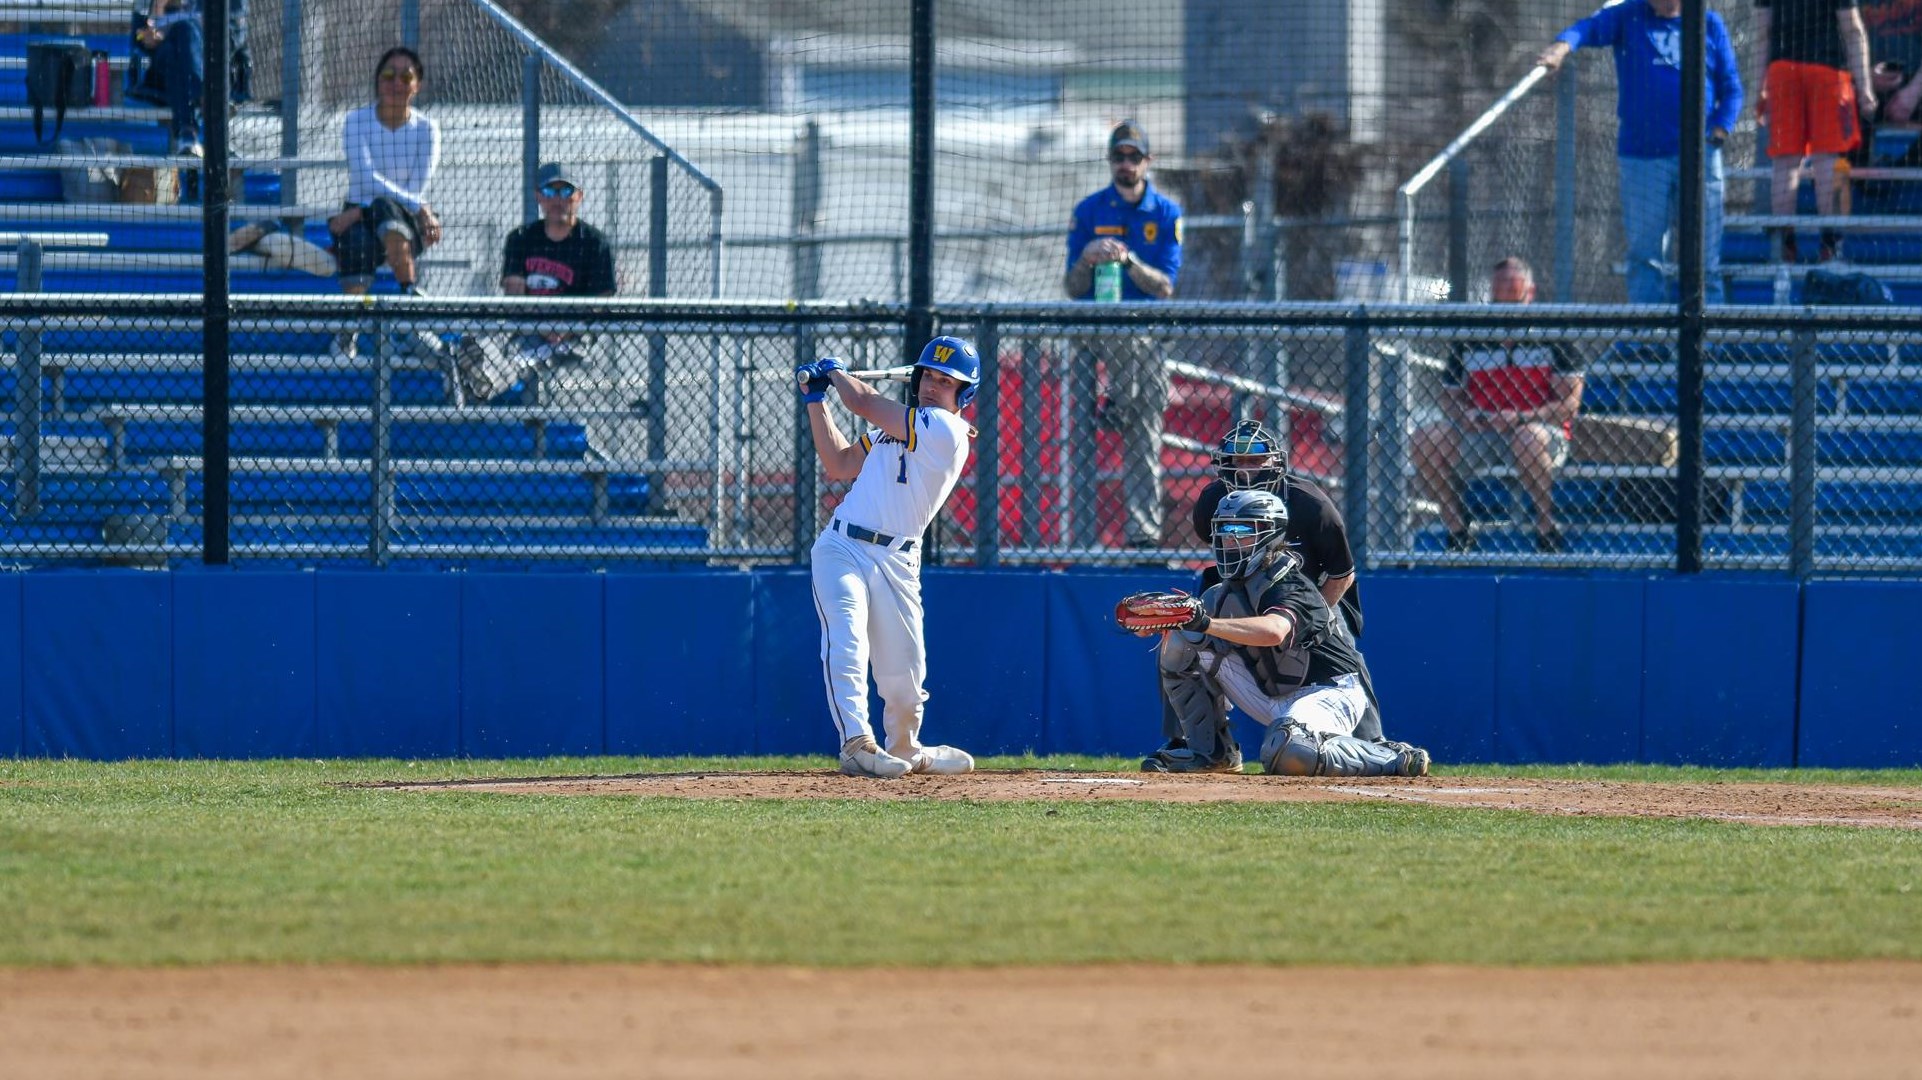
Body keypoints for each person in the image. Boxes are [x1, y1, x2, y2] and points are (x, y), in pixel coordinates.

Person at [1144, 419, 1414, 772]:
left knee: (1336, 646)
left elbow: (1340, 574)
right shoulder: (1215, 507)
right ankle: (1204, 748)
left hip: (1308, 595)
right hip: (1248, 592)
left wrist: (1312, 619)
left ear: (1273, 531)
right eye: (1225, 529)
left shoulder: (1310, 505)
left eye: (1244, 529)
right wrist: (1168, 621)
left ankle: (1373, 744)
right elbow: (1203, 618)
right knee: (1182, 639)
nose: (1231, 539)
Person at [797, 338, 982, 779]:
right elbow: (840, 463)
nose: (932, 386)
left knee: (905, 679)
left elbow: (862, 400)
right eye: (928, 376)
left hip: (898, 560)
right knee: (847, 639)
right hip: (842, 547)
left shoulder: (945, 431)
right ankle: (856, 743)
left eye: (945, 381)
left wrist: (836, 373)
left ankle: (907, 749)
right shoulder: (895, 427)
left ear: (964, 394)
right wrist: (816, 401)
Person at [1539, 0, 1743, 304]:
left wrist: (1719, 130)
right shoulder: (1629, 16)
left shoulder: (1709, 23)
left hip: (1700, 157)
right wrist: (1562, 46)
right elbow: (1589, 27)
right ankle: (1649, 329)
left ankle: (1706, 325)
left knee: (1704, 256)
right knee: (1645, 255)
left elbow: (1732, 89)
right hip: (1643, 158)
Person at [1411, 258, 1586, 555]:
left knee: (1527, 439)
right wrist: (1464, 415)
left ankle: (1546, 527)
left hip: (1538, 432)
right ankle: (1458, 527)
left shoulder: (1553, 334)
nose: (1505, 307)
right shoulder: (1472, 336)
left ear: (1530, 293)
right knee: (1424, 439)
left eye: (1514, 295)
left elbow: (1570, 404)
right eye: (1498, 296)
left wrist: (1520, 417)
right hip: (1481, 431)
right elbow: (1450, 397)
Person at [1065, 120, 1182, 554]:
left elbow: (1165, 287)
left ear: (1147, 161)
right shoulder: (1089, 210)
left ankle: (1142, 535)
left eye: (1134, 156)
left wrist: (1128, 261)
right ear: (1110, 161)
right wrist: (1088, 259)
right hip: (1097, 331)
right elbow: (1072, 288)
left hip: (1146, 337)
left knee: (1144, 422)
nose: (1126, 164)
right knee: (1145, 387)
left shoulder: (1166, 213)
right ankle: (1123, 398)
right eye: (1119, 156)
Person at [455, 162, 618, 405]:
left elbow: (600, 300)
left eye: (566, 191)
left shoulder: (595, 243)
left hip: (575, 334)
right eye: (550, 191)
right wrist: (542, 326)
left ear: (579, 196)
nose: (557, 199)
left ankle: (482, 387)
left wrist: (566, 328)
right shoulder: (521, 238)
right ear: (538, 196)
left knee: (523, 359)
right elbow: (515, 293)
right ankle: (472, 378)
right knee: (490, 343)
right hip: (528, 325)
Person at [328, 46, 442, 361]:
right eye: (389, 75)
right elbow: (364, 177)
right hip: (373, 217)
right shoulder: (356, 121)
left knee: (385, 212)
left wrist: (363, 211)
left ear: (417, 85)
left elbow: (417, 186)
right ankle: (357, 323)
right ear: (378, 80)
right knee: (358, 243)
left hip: (396, 216)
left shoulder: (427, 129)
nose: (396, 83)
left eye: (406, 77)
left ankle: (407, 313)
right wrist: (420, 209)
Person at [1754, 0, 1877, 263]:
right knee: (1827, 163)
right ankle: (1831, 248)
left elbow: (1763, 32)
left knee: (1785, 164)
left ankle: (1784, 250)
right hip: (1828, 72)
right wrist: (1865, 88)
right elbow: (1852, 30)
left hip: (1782, 71)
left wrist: (1758, 89)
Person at [131, 0, 248, 157]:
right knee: (183, 30)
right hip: (163, 67)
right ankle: (204, 95)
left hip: (208, 60)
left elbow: (236, 34)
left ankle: (187, 135)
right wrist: (147, 37)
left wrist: (208, 30)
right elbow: (138, 36)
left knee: (181, 41)